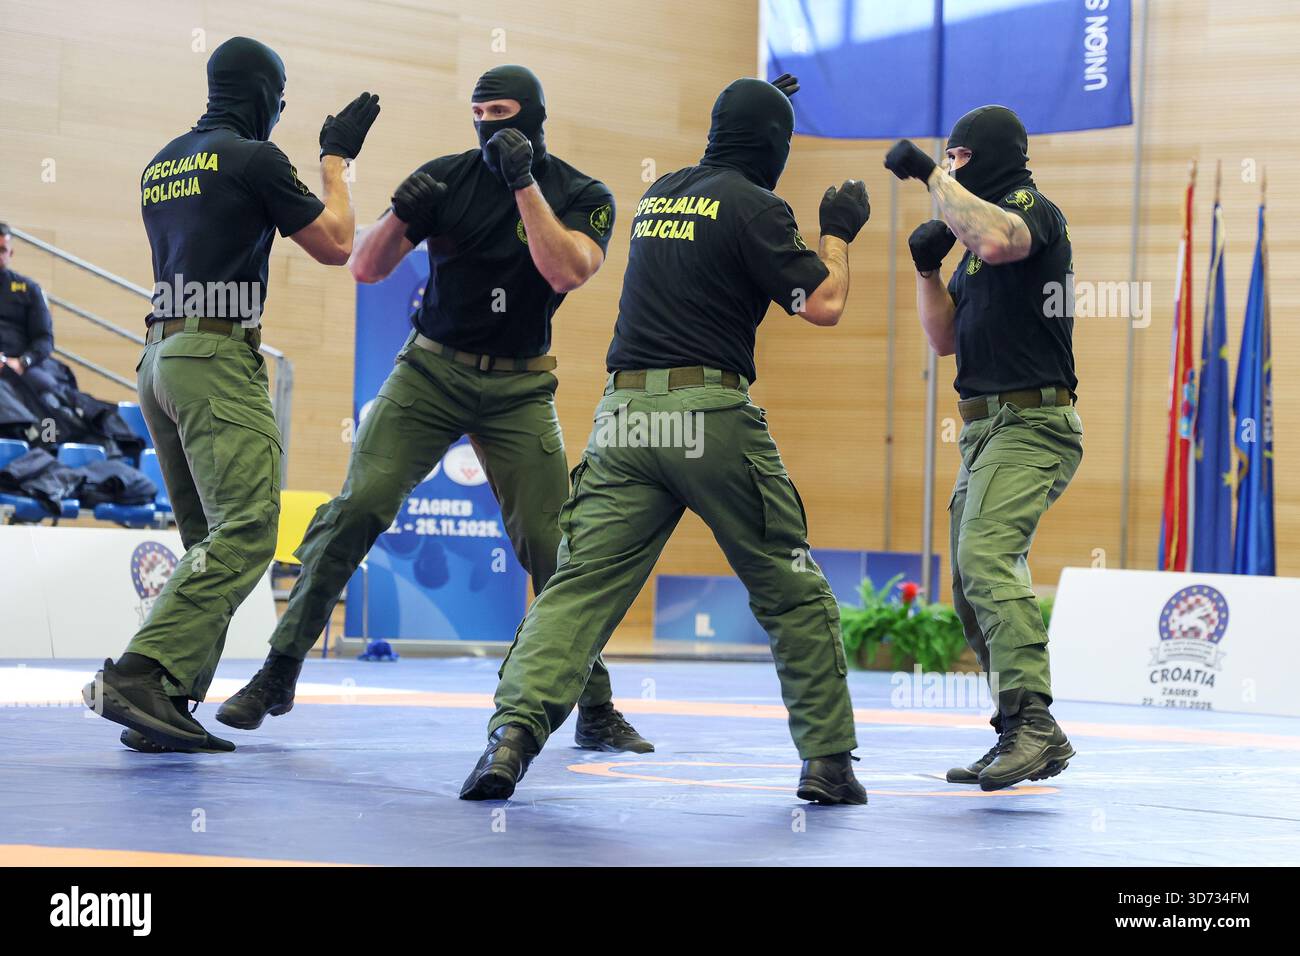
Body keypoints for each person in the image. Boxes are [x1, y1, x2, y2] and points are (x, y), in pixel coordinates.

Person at [460, 74, 872, 804]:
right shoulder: (759, 205)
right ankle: (828, 764)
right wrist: (836, 232)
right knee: (791, 589)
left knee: (575, 593)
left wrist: (752, 103)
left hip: (623, 420)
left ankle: (509, 741)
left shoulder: (661, 197)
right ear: (774, 148)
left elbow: (719, 180)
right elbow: (824, 303)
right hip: (706, 415)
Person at [216, 65, 652, 755]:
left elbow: (565, 270)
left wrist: (523, 184)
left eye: (501, 111)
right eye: (477, 112)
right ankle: (279, 670)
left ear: (533, 116)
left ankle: (595, 705)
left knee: (552, 544)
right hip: (430, 371)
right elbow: (366, 268)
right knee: (358, 507)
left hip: (519, 386)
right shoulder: (447, 178)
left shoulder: (581, 192)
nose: (486, 124)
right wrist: (398, 212)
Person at [82, 36, 379, 753]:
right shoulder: (254, 158)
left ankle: (167, 700)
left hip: (158, 357)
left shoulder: (161, 164)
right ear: (260, 94)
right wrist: (336, 161)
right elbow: (338, 243)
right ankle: (141, 674)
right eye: (277, 100)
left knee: (206, 544)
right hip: (215, 355)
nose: (278, 113)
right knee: (246, 530)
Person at [884, 105, 1082, 791]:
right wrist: (925, 271)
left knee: (986, 557)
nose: (951, 169)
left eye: (959, 158)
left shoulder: (1030, 211)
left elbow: (1000, 241)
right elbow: (944, 341)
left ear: (984, 155)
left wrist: (927, 174)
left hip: (1032, 423)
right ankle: (1020, 730)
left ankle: (1033, 721)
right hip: (983, 429)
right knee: (967, 584)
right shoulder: (971, 246)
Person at [0, 222, 54, 381]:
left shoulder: (29, 289)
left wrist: (22, 362)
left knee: (47, 388)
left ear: (11, 254)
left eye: (2, 250)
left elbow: (45, 339)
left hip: (20, 366)